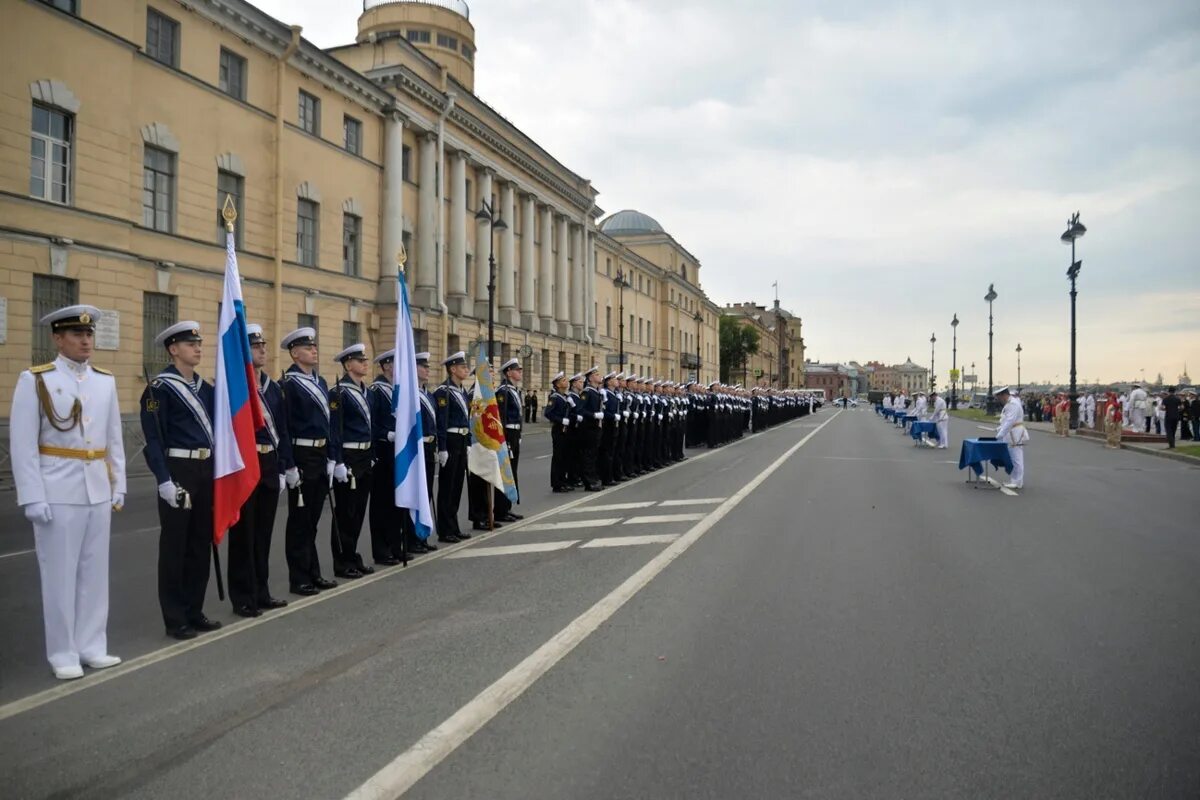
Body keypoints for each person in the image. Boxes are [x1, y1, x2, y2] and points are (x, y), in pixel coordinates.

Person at [11, 305, 126, 679]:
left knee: (95, 574)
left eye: (89, 335)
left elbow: (114, 439)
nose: (86, 341)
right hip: (57, 487)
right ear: (58, 339)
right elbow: (23, 444)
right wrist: (32, 495)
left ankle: (93, 645)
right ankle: (63, 653)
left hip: (96, 486)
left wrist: (118, 484)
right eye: (77, 335)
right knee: (59, 575)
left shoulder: (105, 381)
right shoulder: (36, 380)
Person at [141, 321, 221, 640]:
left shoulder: (207, 389)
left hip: (206, 469)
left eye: (199, 343)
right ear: (174, 349)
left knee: (200, 543)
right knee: (175, 546)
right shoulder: (159, 388)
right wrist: (164, 480)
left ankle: (194, 609)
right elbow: (153, 440)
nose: (198, 348)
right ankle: (175, 618)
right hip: (179, 471)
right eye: (190, 344)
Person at [226, 324, 291, 618]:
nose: (263, 350)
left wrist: (283, 467)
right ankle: (242, 596)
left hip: (268, 464)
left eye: (263, 345)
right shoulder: (235, 389)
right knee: (243, 535)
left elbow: (284, 430)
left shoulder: (273, 387)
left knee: (263, 534)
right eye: (256, 346)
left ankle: (261, 591)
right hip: (245, 464)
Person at [280, 327, 337, 597]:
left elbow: (329, 424)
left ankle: (313, 572)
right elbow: (286, 428)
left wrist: (331, 457)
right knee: (300, 521)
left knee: (313, 519)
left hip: (320, 454)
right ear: (294, 353)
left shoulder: (321, 382)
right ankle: (298, 577)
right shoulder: (288, 385)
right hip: (302, 456)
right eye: (307, 346)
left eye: (314, 346)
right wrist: (289, 465)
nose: (314, 350)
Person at [329, 344, 374, 578]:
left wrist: (373, 454)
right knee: (345, 512)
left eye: (365, 359)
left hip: (365, 456)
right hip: (349, 457)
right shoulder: (339, 392)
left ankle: (353, 555)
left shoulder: (366, 391)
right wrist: (337, 461)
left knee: (358, 512)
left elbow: (371, 427)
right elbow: (334, 430)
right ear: (348, 365)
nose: (365, 363)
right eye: (359, 360)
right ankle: (342, 561)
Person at [435, 351, 472, 541]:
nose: (466, 370)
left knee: (457, 486)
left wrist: (469, 442)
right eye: (463, 367)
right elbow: (441, 422)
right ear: (452, 369)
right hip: (450, 441)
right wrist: (441, 448)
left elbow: (467, 419)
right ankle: (445, 529)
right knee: (447, 487)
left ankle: (454, 526)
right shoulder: (444, 391)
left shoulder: (462, 391)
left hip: (462, 440)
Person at [494, 358, 525, 523]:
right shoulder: (503, 391)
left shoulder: (513, 390)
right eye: (517, 369)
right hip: (507, 435)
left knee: (511, 472)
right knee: (505, 472)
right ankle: (500, 510)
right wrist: (504, 439)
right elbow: (502, 417)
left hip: (514, 434)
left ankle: (507, 507)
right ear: (508, 372)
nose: (520, 371)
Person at [993, 386, 1028, 490]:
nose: (999, 400)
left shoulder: (1012, 404)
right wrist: (999, 428)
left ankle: (1017, 482)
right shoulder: (1010, 403)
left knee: (1016, 458)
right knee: (1013, 457)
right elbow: (1006, 420)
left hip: (1014, 433)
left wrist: (1000, 434)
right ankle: (1014, 480)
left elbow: (1010, 421)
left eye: (999, 397)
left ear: (1004, 395)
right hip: (1011, 431)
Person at [543, 372, 573, 492]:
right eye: (564, 380)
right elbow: (548, 413)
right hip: (558, 429)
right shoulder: (554, 397)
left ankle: (563, 480)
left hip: (566, 430)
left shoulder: (565, 397)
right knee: (558, 457)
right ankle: (557, 483)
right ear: (558, 384)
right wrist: (561, 420)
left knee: (565, 456)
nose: (567, 382)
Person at [579, 366, 604, 491]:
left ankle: (593, 478)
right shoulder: (587, 392)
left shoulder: (596, 392)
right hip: (588, 428)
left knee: (593, 455)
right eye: (597, 374)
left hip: (596, 427)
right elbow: (581, 409)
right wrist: (593, 415)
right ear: (591, 378)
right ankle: (588, 482)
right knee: (588, 455)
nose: (600, 376)